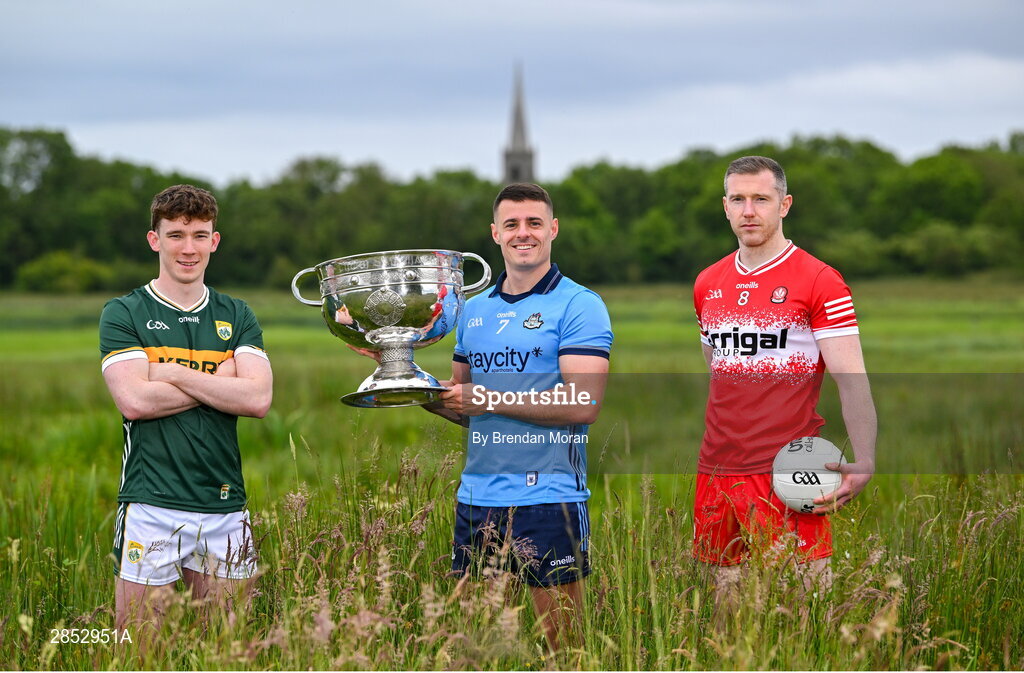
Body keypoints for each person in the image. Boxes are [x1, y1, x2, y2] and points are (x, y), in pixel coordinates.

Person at [430, 183, 613, 652]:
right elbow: (463, 406)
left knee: (562, 649)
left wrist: (488, 398)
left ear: (553, 229)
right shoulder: (473, 310)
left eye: (534, 223)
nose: (523, 233)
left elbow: (582, 405)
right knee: (472, 648)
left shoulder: (579, 304)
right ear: (495, 233)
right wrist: (400, 376)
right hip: (478, 497)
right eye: (511, 224)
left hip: (550, 497)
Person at [691, 156, 877, 613]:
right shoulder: (707, 283)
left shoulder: (819, 279)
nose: (749, 210)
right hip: (716, 470)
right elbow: (718, 373)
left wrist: (866, 458)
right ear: (725, 206)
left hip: (788, 470)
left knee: (803, 615)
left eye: (761, 199)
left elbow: (852, 381)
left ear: (784, 204)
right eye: (738, 199)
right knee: (724, 616)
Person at [99, 184, 273, 634]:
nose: (188, 248)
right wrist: (221, 379)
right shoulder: (124, 312)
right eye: (176, 235)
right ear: (154, 239)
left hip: (225, 504)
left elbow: (257, 399)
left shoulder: (236, 313)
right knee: (138, 650)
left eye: (199, 235)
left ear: (214, 241)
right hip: (151, 502)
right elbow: (134, 401)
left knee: (230, 650)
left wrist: (169, 371)